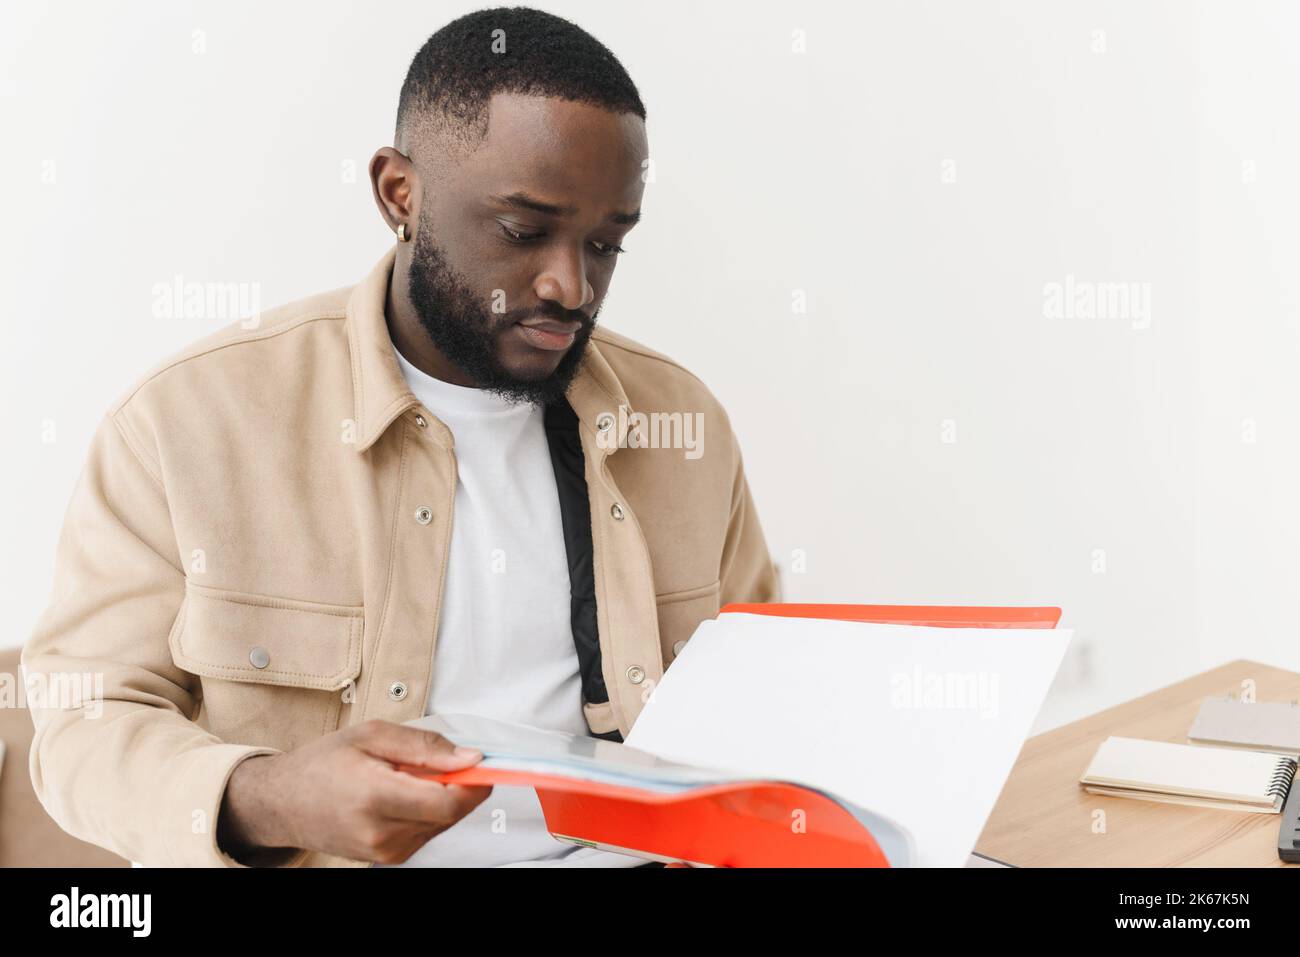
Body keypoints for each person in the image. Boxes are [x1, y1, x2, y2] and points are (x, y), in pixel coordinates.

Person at [23, 6, 778, 868]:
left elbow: (766, 691)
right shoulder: (187, 422)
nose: (571, 285)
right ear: (400, 194)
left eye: (606, 244)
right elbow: (82, 731)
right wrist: (272, 797)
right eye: (525, 231)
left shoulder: (684, 426)